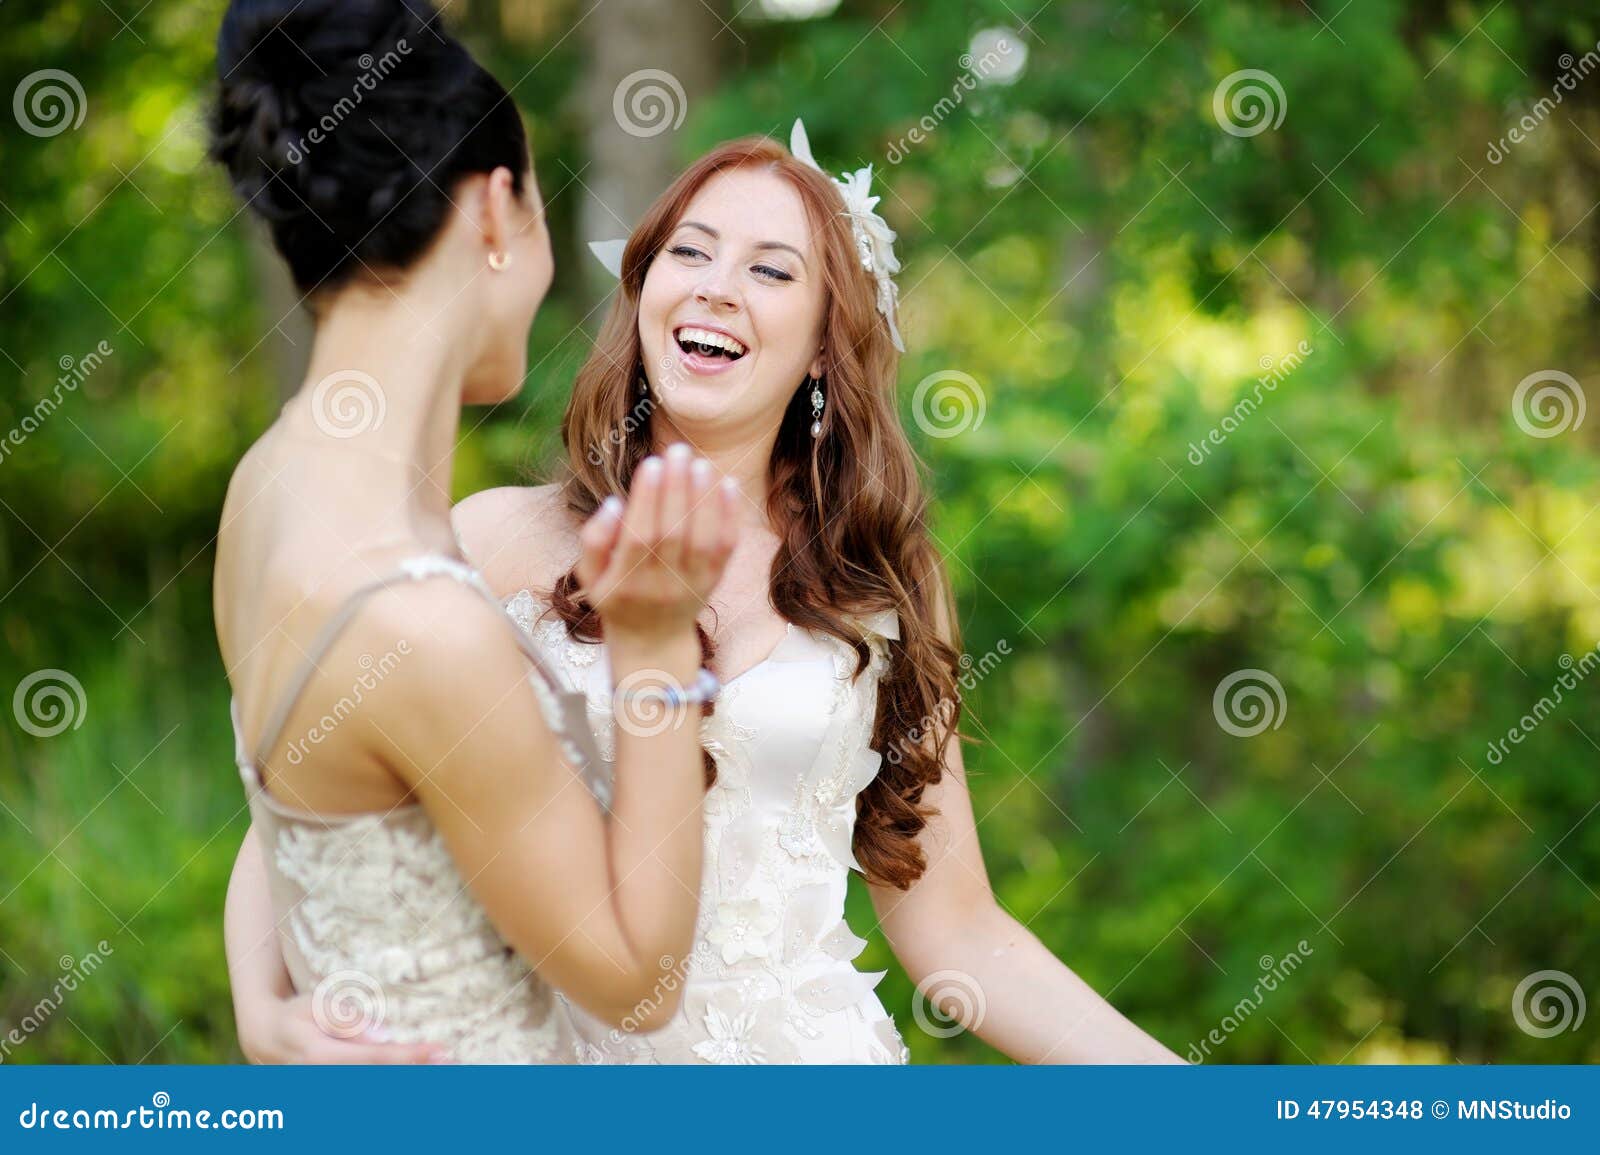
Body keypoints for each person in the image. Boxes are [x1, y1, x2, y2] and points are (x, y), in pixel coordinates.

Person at [231, 117, 1180, 1063]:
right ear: (644, 292)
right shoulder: (492, 538)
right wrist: (258, 1003)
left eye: (772, 270)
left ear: (821, 347)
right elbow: (308, 795)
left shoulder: (884, 578)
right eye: (690, 252)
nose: (718, 287)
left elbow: (960, 932)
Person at [211, 0, 735, 1063]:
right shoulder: (418, 625)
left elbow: (300, 816)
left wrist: (262, 1008)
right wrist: (651, 648)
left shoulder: (265, 488)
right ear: (496, 211)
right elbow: (637, 984)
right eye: (543, 214)